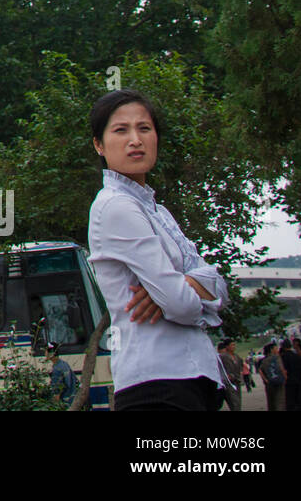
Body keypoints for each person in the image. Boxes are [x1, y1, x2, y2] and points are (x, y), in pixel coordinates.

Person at [86, 89, 228, 411]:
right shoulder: (116, 206)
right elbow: (182, 306)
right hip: (156, 386)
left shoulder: (158, 212)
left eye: (144, 128)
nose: (135, 140)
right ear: (99, 144)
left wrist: (185, 283)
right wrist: (184, 288)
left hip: (190, 379)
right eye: (121, 130)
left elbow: (220, 287)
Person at [48, 342, 78, 406]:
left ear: (51, 353)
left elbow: (57, 393)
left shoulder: (57, 369)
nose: (44, 354)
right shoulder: (64, 364)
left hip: (66, 403)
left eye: (45, 351)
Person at [217, 339, 242, 411]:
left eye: (234, 345)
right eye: (232, 345)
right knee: (234, 402)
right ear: (227, 347)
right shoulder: (222, 356)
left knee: (238, 402)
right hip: (228, 382)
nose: (234, 346)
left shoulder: (237, 356)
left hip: (237, 381)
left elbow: (240, 367)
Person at [281, 339, 301, 413]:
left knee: (290, 401)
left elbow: (284, 370)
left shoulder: (283, 357)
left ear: (283, 347)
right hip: (298, 380)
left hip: (289, 381)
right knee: (299, 399)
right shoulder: (296, 356)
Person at [261, 341, 286, 411]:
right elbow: (281, 368)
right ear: (271, 350)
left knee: (271, 402)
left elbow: (261, 371)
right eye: (276, 348)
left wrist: (265, 380)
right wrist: (285, 377)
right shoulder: (277, 358)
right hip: (279, 381)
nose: (277, 350)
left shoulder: (264, 360)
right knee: (280, 400)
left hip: (270, 383)